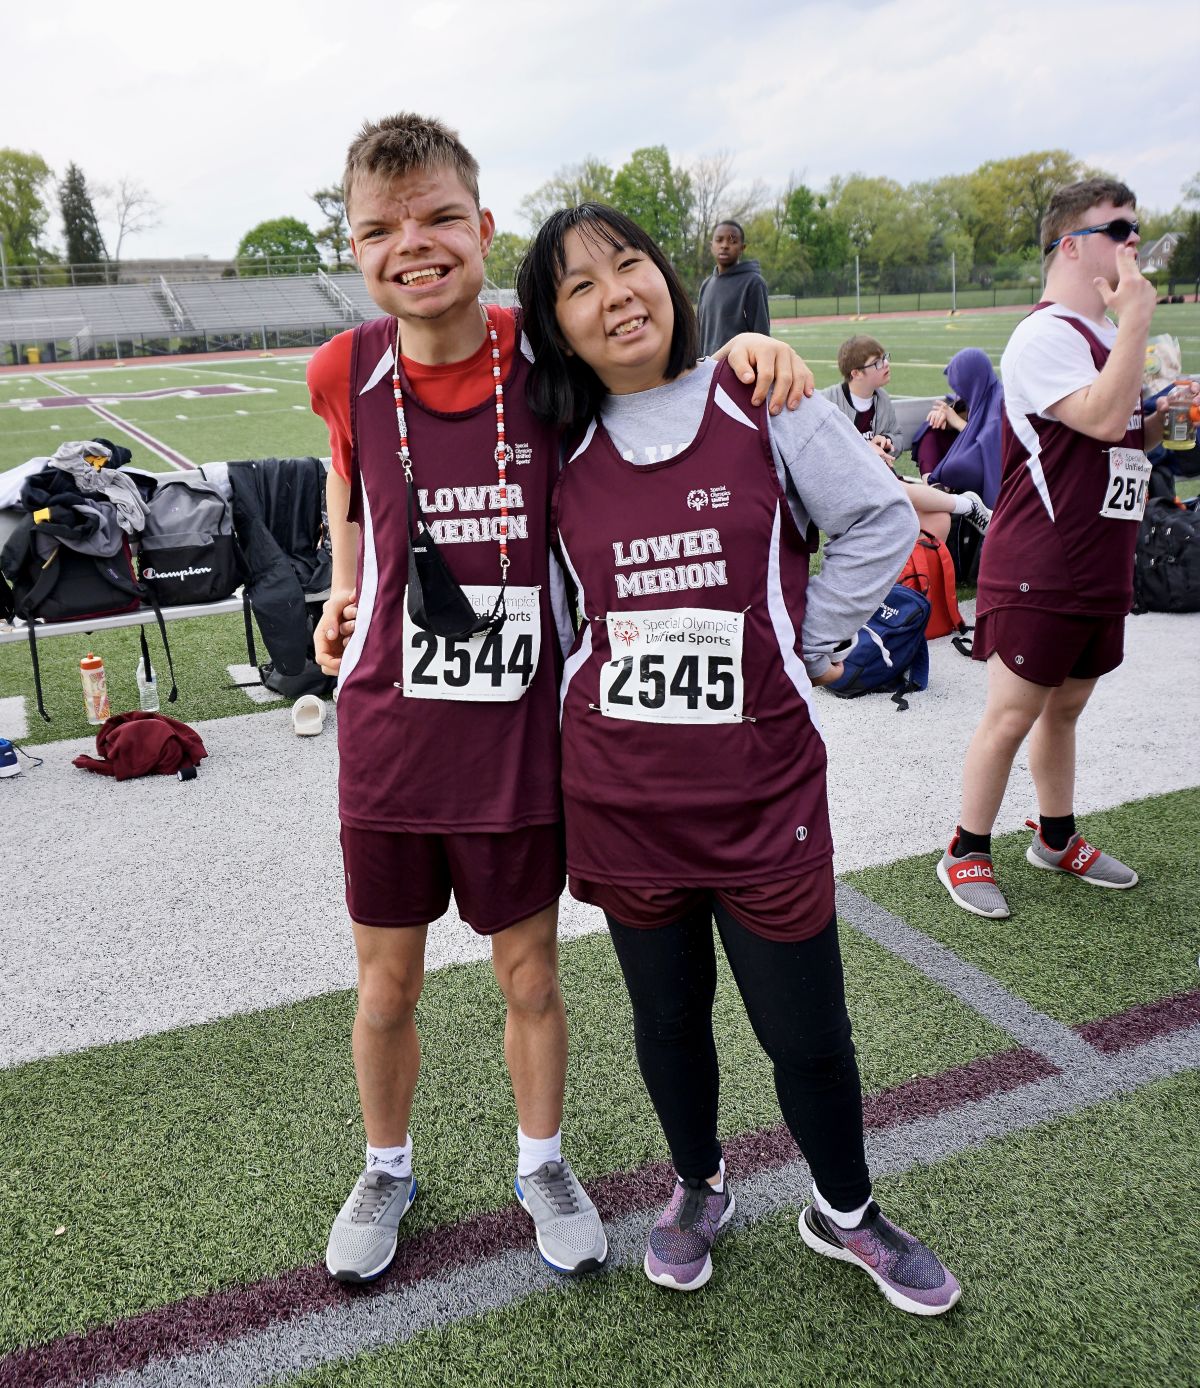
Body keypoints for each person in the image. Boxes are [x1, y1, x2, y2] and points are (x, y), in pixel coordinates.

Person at [306, 114, 812, 1284]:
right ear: (354, 244)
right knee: (386, 982)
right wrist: (344, 583)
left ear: (483, 229)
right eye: (380, 228)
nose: (413, 244)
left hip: (520, 740)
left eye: (438, 218)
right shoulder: (343, 366)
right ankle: (388, 1160)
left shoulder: (540, 359)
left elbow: (657, 377)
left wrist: (746, 356)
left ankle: (544, 1157)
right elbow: (346, 470)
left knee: (531, 972)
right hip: (388, 738)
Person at [516, 203, 961, 1315]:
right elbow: (570, 629)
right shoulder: (558, 452)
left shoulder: (758, 396)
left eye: (627, 265)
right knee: (666, 1020)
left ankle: (845, 1209)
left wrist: (802, 643)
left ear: (665, 276)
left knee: (805, 1025)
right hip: (623, 798)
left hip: (763, 792)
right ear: (557, 326)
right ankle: (698, 1184)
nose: (615, 294)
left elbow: (879, 522)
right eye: (579, 286)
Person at [937, 178, 1191, 919]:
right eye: (1119, 228)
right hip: (1041, 561)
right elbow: (1102, 412)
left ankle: (1055, 835)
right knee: (1013, 713)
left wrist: (1161, 417)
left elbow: (1114, 433)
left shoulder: (1105, 338)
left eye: (1137, 228)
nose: (1134, 241)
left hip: (1099, 556)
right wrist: (1139, 320)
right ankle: (965, 849)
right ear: (1072, 246)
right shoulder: (1046, 333)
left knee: (1068, 707)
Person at [823, 336, 990, 542]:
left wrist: (886, 441)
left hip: (882, 478)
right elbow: (824, 445)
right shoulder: (828, 401)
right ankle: (965, 505)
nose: (886, 364)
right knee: (896, 490)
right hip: (854, 487)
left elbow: (897, 438)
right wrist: (865, 447)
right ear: (856, 373)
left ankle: (917, 573)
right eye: (877, 363)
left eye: (885, 358)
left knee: (939, 520)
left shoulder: (881, 398)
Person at [925, 348, 1006, 508]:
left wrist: (957, 422)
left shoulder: (999, 404)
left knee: (955, 467)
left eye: (962, 388)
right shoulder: (987, 394)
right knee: (928, 430)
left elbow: (990, 449)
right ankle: (930, 482)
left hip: (998, 484)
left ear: (973, 382)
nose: (960, 395)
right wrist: (946, 412)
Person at [696, 220, 771, 356]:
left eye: (732, 241)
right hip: (708, 371)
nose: (724, 245)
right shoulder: (706, 285)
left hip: (737, 372)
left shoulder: (753, 283)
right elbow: (699, 333)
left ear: (742, 248)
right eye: (719, 240)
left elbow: (762, 336)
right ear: (711, 245)